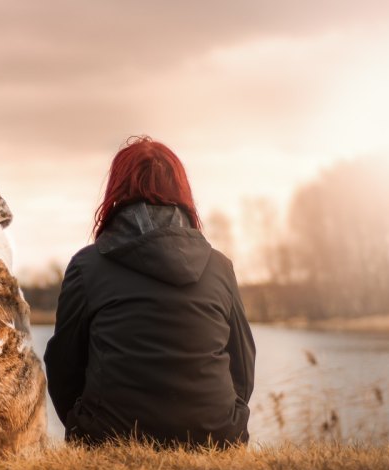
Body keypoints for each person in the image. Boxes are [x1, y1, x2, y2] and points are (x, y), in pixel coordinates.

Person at [44, 136, 255, 447]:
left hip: (108, 436)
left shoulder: (87, 267)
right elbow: (243, 365)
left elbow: (63, 366)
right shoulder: (219, 267)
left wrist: (83, 424)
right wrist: (226, 419)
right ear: (181, 192)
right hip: (216, 436)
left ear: (117, 191)